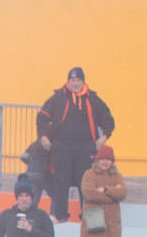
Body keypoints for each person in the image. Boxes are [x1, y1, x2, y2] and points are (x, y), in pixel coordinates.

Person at [33, 68, 113, 220]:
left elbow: (108, 119)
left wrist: (104, 137)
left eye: (78, 81)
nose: (75, 84)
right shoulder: (58, 97)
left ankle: (89, 219)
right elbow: (42, 117)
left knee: (87, 182)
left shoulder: (92, 99)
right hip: (62, 146)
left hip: (86, 146)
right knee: (61, 182)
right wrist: (43, 137)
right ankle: (61, 217)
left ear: (83, 82)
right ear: (68, 82)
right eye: (73, 81)